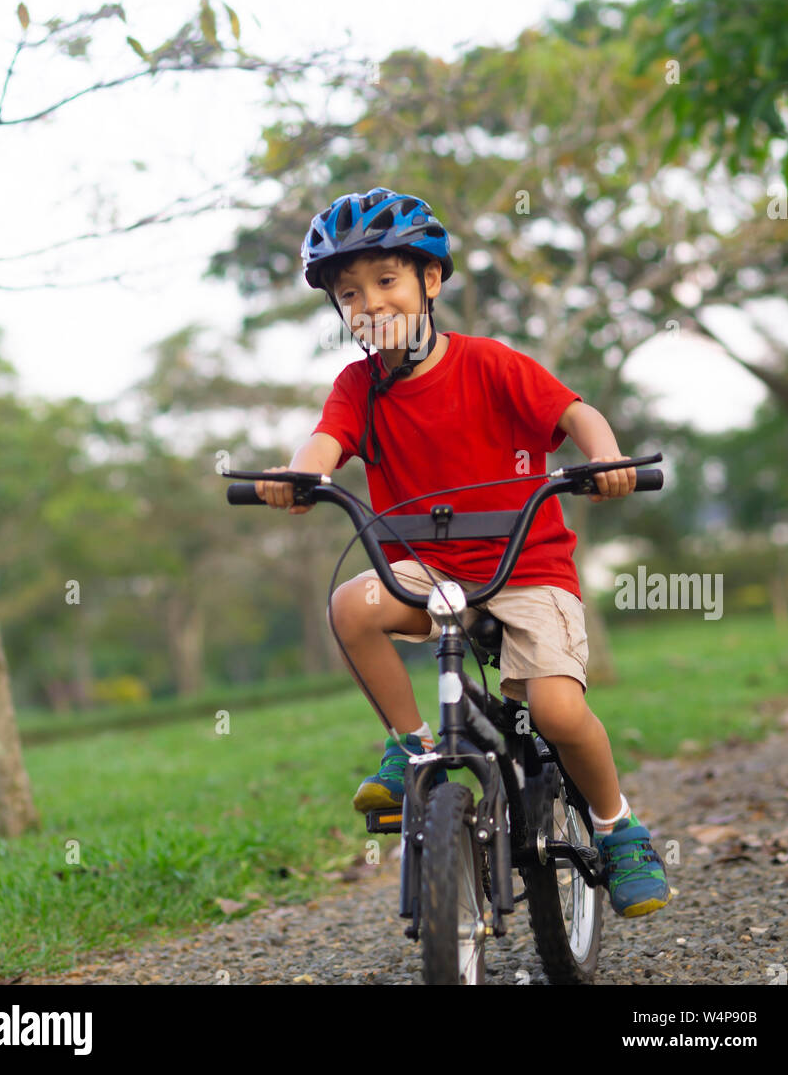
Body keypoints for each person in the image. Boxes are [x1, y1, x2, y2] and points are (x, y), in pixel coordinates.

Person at [255, 188, 671, 918]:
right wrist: (301, 476)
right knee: (351, 605)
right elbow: (323, 441)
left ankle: (618, 828)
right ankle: (411, 746)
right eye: (349, 294)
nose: (369, 303)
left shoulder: (490, 364)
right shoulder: (359, 386)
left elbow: (575, 413)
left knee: (555, 710)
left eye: (386, 282)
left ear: (432, 281)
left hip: (524, 564)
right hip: (429, 570)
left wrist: (605, 460)